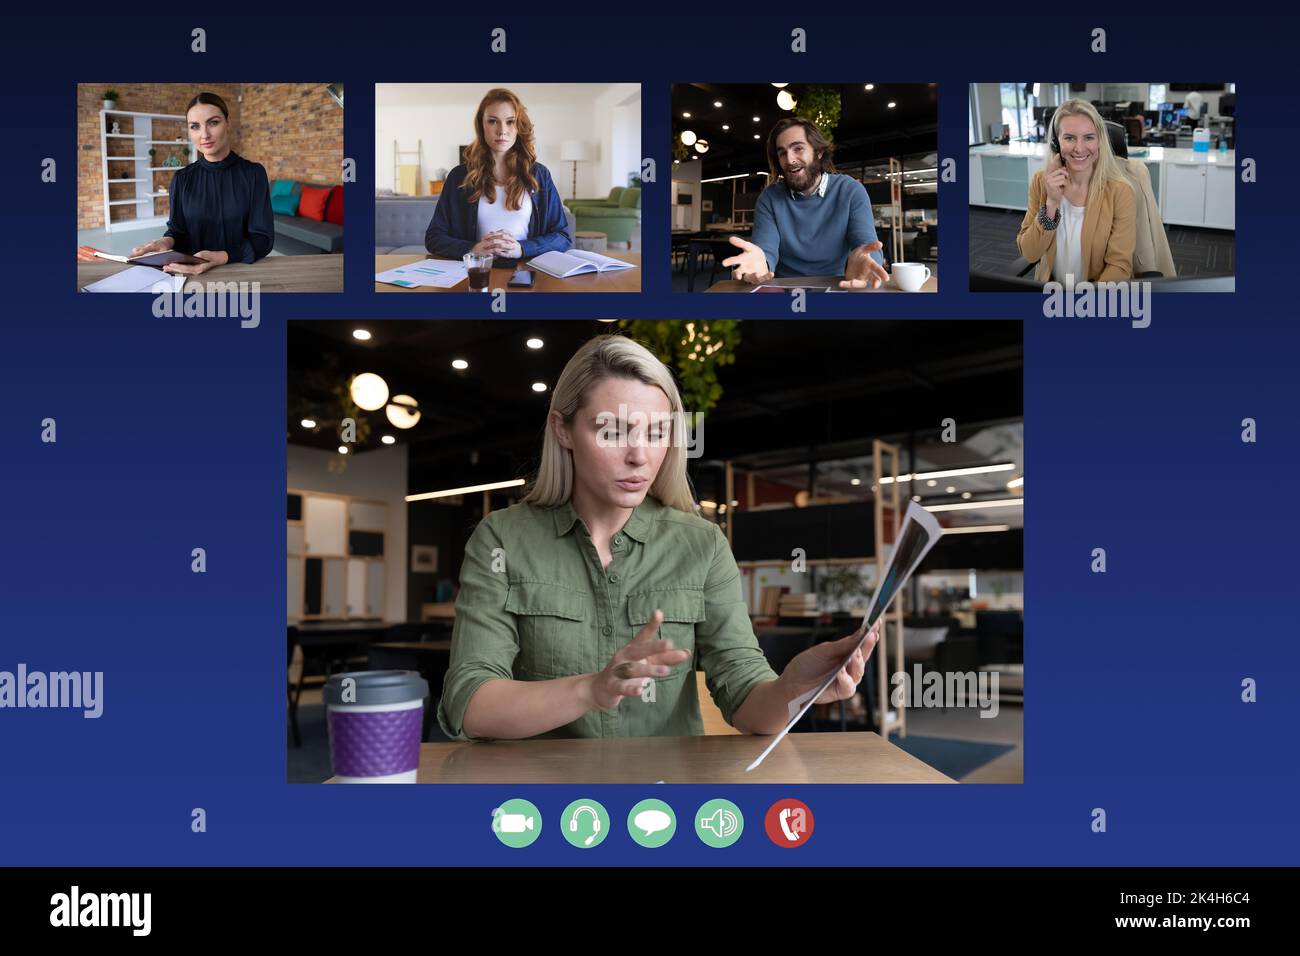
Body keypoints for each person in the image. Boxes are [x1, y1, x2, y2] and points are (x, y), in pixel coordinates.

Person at [437, 335, 878, 741]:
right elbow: (470, 704)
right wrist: (591, 690)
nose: (639, 456)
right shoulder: (501, 539)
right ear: (562, 429)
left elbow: (746, 697)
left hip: (664, 791)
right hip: (540, 790)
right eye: (613, 431)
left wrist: (793, 689)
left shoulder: (702, 545)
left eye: (656, 432)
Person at [721, 116, 889, 289]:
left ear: (819, 152)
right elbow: (765, 251)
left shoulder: (850, 190)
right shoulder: (769, 198)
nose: (790, 160)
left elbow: (866, 245)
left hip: (837, 286)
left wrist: (866, 261)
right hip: (785, 290)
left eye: (798, 148)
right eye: (782, 153)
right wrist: (760, 263)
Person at [124, 92, 274, 276]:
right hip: (191, 275)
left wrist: (222, 257)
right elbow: (178, 231)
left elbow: (263, 239)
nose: (204, 135)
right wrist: (166, 242)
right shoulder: (182, 179)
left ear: (228, 123)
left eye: (213, 122)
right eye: (195, 126)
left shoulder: (254, 174)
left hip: (241, 272)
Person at [424, 88, 572, 266]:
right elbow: (434, 238)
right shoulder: (459, 176)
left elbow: (562, 237)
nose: (502, 130)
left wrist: (522, 248)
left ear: (519, 127)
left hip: (526, 272)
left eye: (510, 122)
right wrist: (473, 249)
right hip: (476, 272)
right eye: (493, 121)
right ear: (481, 126)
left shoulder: (540, 175)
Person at [1016, 99, 1135, 284]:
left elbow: (1119, 266)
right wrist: (1051, 204)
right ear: (1056, 143)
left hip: (1097, 295)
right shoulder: (1042, 182)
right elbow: (1030, 253)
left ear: (1100, 141)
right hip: (1052, 293)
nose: (1079, 148)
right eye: (1069, 138)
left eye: (1089, 137)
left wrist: (1088, 299)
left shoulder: (1120, 192)